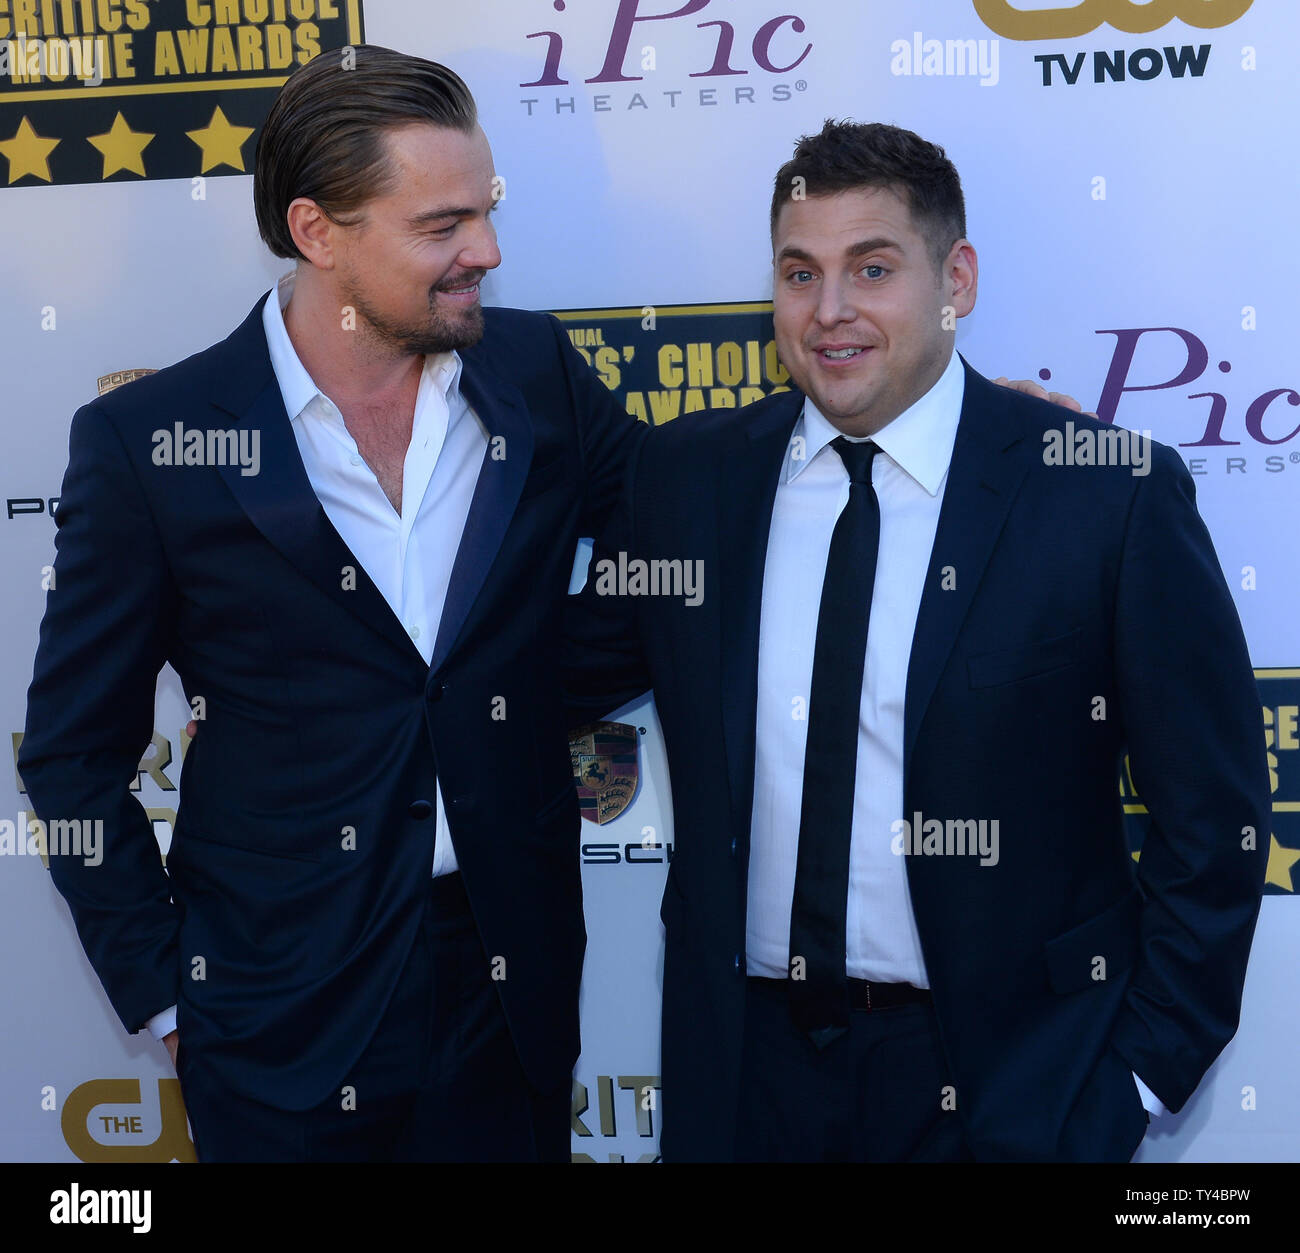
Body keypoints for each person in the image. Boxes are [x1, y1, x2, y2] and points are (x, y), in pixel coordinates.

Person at [564, 120, 1270, 1162]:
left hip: (1011, 1082)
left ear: (957, 280)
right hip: (744, 1078)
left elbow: (1213, 819)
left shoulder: (1100, 493)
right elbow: (540, 670)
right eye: (799, 273)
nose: (830, 310)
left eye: (874, 268)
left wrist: (1136, 1073)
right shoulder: (688, 481)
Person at [19, 45, 640, 1162]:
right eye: (441, 225)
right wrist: (169, 1000)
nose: (486, 252)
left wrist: (526, 687)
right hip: (275, 1011)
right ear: (318, 232)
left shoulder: (537, 373)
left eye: (487, 210)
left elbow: (690, 519)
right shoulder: (152, 441)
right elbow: (69, 754)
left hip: (508, 990)